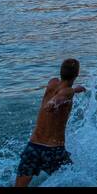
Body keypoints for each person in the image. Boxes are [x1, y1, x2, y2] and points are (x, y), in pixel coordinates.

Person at [14, 58, 86, 187]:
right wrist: (54, 103)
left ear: (60, 72)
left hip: (33, 147)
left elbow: (61, 91)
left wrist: (73, 90)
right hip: (53, 151)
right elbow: (62, 95)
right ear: (77, 74)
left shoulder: (52, 83)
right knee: (78, 181)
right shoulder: (69, 92)